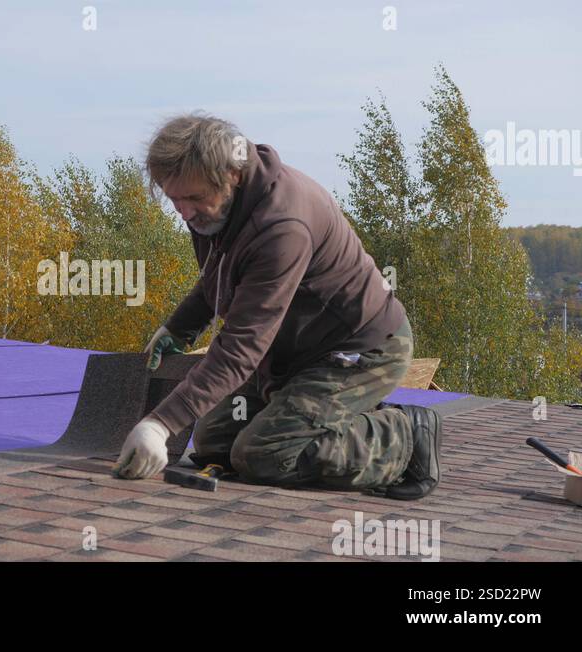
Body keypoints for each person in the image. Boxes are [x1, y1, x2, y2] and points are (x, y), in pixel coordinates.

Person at [113, 113, 442, 500]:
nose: (184, 212)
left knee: (265, 455)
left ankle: (403, 435)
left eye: (194, 199)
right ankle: (322, 415)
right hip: (296, 352)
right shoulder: (216, 208)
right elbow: (217, 277)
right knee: (214, 442)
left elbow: (240, 350)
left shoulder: (282, 226)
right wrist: (178, 329)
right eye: (174, 199)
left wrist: (160, 425)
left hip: (359, 352)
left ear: (231, 175)